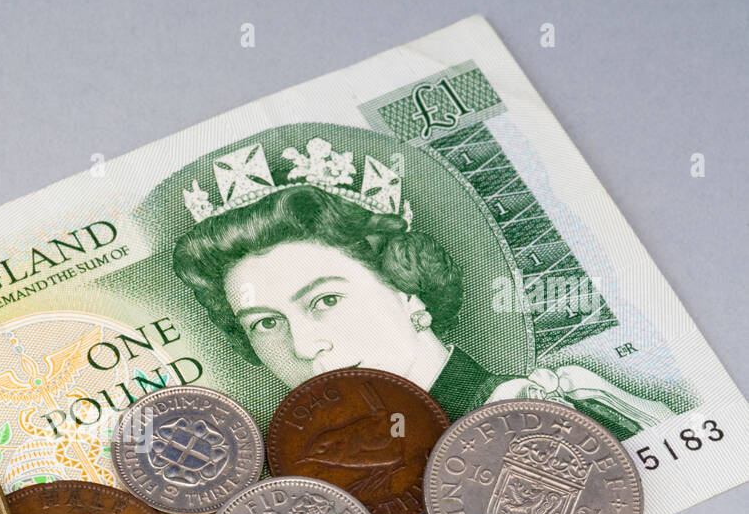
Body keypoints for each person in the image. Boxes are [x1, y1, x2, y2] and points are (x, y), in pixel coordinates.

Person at [172, 177, 673, 436]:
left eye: (325, 300)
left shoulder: (551, 414)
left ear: (407, 291)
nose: (304, 347)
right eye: (265, 324)